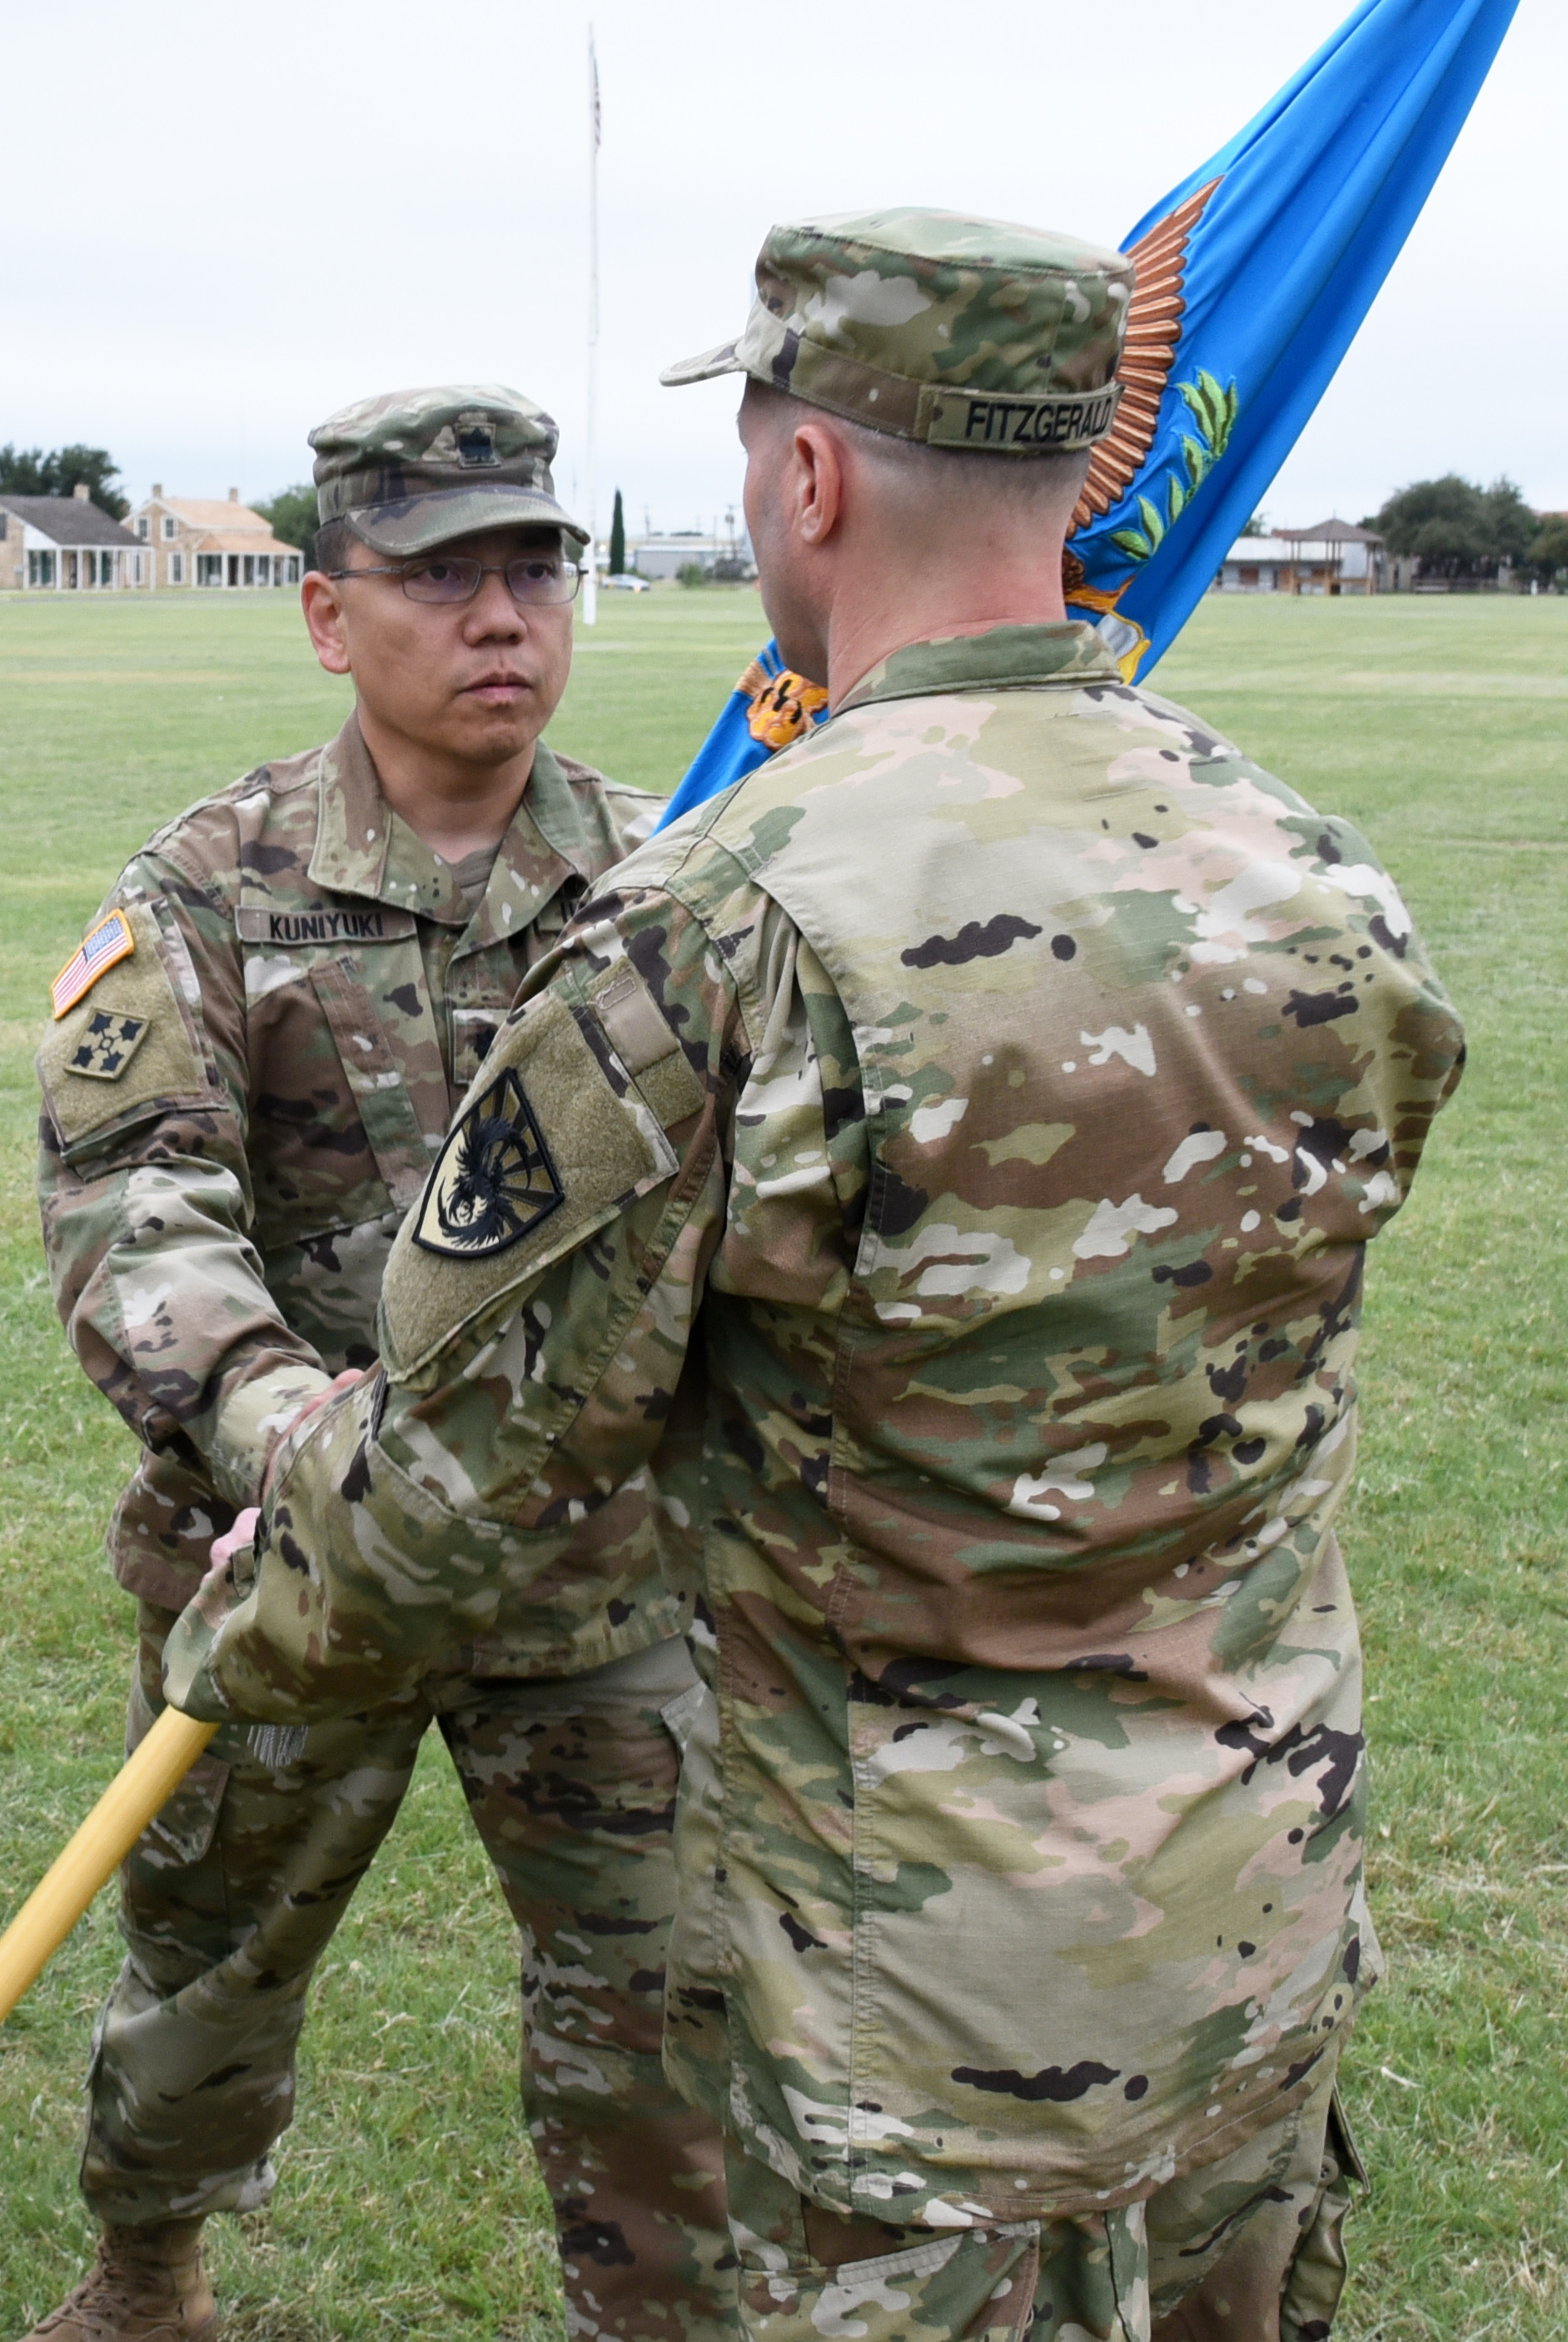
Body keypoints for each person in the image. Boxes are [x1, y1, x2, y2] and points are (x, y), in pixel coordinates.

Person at [165, 219, 1466, 2340]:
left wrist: (252, 1600)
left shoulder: (724, 920)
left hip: (920, 2026)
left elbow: (455, 1486)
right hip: (1258, 1923)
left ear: (807, 478)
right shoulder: (1309, 864)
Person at [30, 390, 726, 2342]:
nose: (501, 616)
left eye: (535, 570)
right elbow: (131, 1203)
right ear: (329, 614)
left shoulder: (676, 884)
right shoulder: (208, 886)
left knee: (667, 2016)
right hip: (294, 1564)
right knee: (204, 1982)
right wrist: (280, 1427)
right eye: (441, 577)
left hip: (594, 1578)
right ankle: (147, 2280)